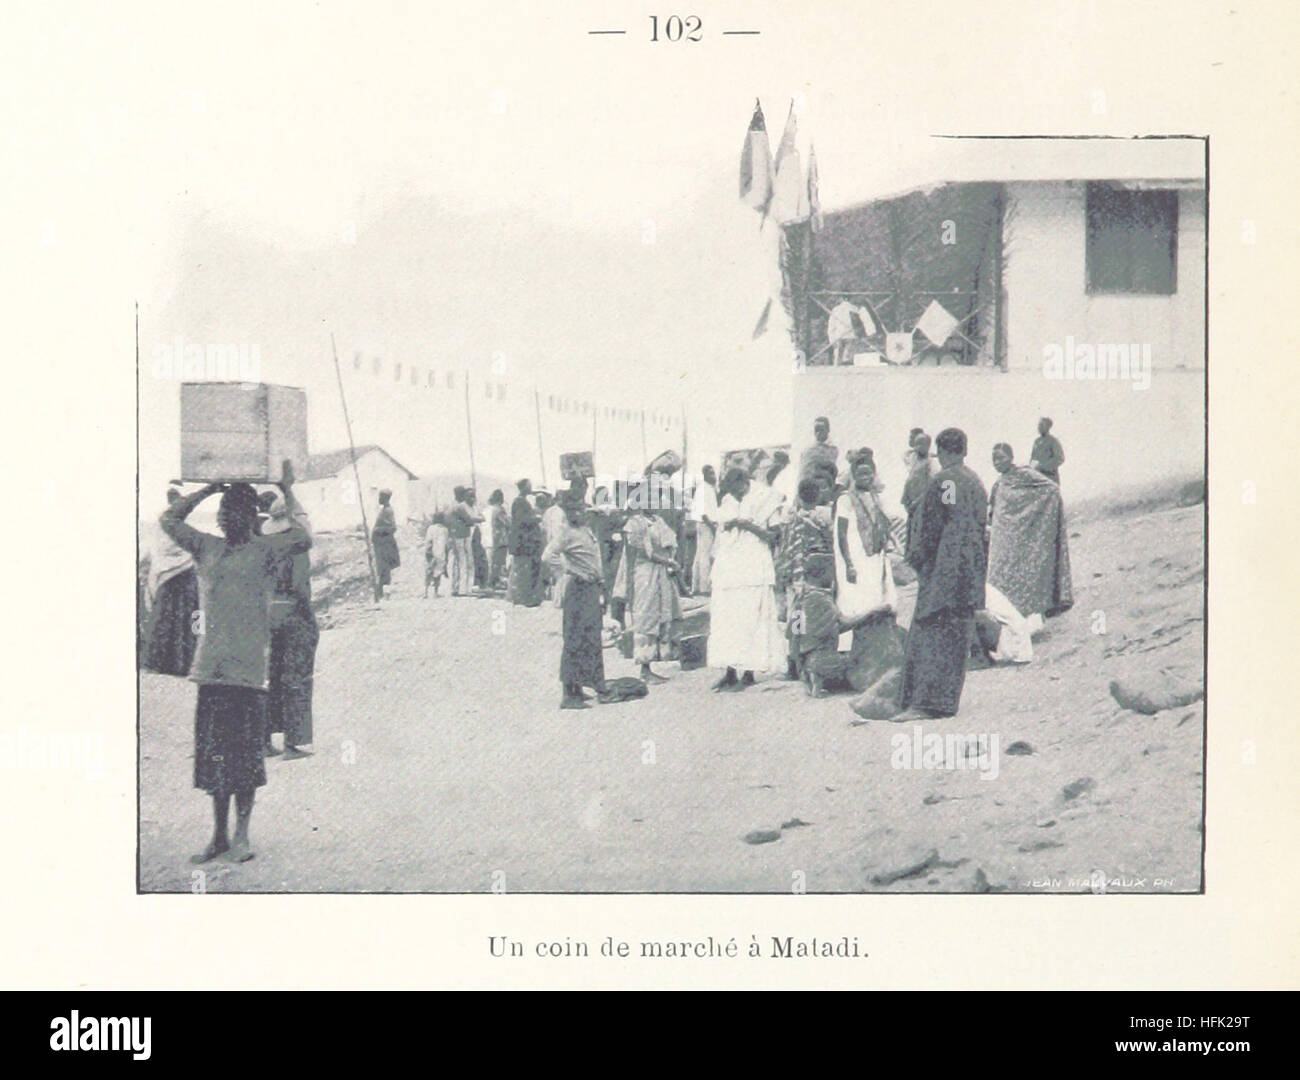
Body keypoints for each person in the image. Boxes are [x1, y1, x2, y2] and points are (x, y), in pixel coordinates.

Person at [159, 469, 311, 864]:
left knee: (244, 759)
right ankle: (218, 837)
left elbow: (302, 537)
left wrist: (287, 489)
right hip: (211, 671)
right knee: (215, 760)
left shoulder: (265, 551)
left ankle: (241, 836)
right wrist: (208, 488)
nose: (229, 518)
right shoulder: (206, 547)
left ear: (251, 518)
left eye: (236, 511)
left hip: (248, 673)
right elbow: (168, 520)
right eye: (225, 512)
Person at [897, 428, 988, 719]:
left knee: (932, 632)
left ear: (942, 450)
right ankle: (945, 702)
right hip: (969, 570)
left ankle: (924, 704)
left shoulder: (945, 480)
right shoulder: (975, 480)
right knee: (957, 636)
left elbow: (934, 527)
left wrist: (918, 559)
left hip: (944, 571)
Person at [980, 443, 1074, 663]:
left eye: (1001, 458)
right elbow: (993, 511)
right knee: (1000, 583)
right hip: (1001, 542)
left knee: (1021, 579)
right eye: (994, 459)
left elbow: (1051, 488)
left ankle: (1026, 629)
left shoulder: (1024, 475)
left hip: (1021, 541)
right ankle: (1013, 633)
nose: (998, 462)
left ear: (1011, 457)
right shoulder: (999, 484)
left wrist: (1029, 521)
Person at [708, 466, 786, 691]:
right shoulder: (729, 500)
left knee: (752, 618)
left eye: (738, 490)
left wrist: (746, 525)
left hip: (754, 568)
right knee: (728, 620)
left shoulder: (768, 499)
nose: (736, 495)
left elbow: (775, 537)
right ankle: (730, 671)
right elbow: (722, 533)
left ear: (746, 483)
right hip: (729, 570)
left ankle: (749, 673)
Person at [261, 467, 317, 759]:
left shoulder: (262, 541)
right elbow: (298, 584)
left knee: (271, 675)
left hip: (268, 614)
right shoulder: (296, 541)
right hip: (294, 613)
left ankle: (265, 740)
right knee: (296, 676)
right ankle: (293, 744)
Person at [543, 491, 610, 709]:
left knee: (590, 637)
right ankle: (568, 694)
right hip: (578, 590)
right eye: (573, 510)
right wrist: (573, 571)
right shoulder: (566, 532)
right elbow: (547, 556)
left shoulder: (586, 529)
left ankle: (579, 687)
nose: (578, 513)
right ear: (567, 513)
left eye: (581, 509)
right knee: (574, 638)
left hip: (591, 589)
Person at [618, 484, 682, 683]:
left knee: (663, 613)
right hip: (645, 573)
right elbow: (644, 553)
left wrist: (670, 558)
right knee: (646, 616)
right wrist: (669, 561)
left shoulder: (659, 521)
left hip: (662, 573)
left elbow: (670, 542)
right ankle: (644, 668)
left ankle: (657, 659)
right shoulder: (634, 523)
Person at [143, 488, 200, 676]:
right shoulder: (177, 525)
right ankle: (179, 664)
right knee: (180, 619)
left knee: (169, 619)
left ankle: (163, 663)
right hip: (181, 576)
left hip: (168, 577)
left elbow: (153, 552)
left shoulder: (164, 524)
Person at [901, 432, 938, 560]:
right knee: (911, 529)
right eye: (915, 444)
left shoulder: (931, 463)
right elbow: (906, 455)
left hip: (922, 503)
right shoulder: (914, 459)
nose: (917, 447)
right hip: (911, 503)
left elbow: (932, 486)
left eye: (921, 444)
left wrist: (917, 502)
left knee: (921, 531)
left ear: (928, 445)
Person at [508, 479, 544, 607]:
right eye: (529, 486)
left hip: (523, 542)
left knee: (522, 569)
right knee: (523, 570)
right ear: (523, 488)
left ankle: (521, 596)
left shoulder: (522, 501)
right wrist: (536, 519)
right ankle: (522, 597)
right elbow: (522, 520)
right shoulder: (520, 502)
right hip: (522, 542)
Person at [689, 465, 719, 595]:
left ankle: (696, 586)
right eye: (711, 474)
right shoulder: (704, 489)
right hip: (705, 524)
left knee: (700, 556)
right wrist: (713, 528)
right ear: (705, 475)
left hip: (704, 524)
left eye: (714, 473)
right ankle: (704, 587)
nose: (714, 476)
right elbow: (704, 513)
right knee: (705, 557)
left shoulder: (708, 489)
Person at [446, 486, 481, 596]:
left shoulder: (452, 506)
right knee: (465, 561)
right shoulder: (460, 507)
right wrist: (480, 518)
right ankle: (465, 589)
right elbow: (470, 520)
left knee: (457, 563)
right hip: (462, 536)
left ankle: (456, 588)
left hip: (455, 535)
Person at [371, 490, 400, 598]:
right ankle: (382, 590)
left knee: (384, 567)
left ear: (385, 498)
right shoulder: (383, 510)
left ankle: (384, 591)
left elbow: (392, 527)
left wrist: (378, 530)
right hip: (380, 543)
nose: (379, 499)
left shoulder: (388, 511)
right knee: (382, 567)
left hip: (385, 543)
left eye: (380, 497)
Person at [799, 416, 839, 490]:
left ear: (828, 430)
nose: (818, 432)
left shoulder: (832, 449)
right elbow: (802, 473)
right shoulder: (807, 450)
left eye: (821, 429)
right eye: (816, 430)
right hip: (805, 488)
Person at [1030, 417, 1065, 486]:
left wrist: (1044, 466)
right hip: (1037, 478)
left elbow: (1060, 458)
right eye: (1039, 425)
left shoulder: (1053, 441)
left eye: (1042, 425)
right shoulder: (1036, 441)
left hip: (1050, 477)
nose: (1039, 427)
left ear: (1048, 427)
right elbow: (1032, 458)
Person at [487, 489, 510, 590]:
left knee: (496, 560)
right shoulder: (500, 509)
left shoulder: (494, 509)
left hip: (496, 536)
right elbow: (507, 522)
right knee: (499, 560)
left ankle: (494, 580)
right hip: (501, 537)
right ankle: (494, 581)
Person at [423, 511, 450, 597]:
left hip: (431, 552)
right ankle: (435, 592)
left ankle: (426, 592)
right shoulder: (445, 530)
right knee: (437, 573)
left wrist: (427, 551)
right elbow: (446, 544)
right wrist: (447, 556)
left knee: (428, 572)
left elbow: (428, 541)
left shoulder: (431, 528)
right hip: (441, 553)